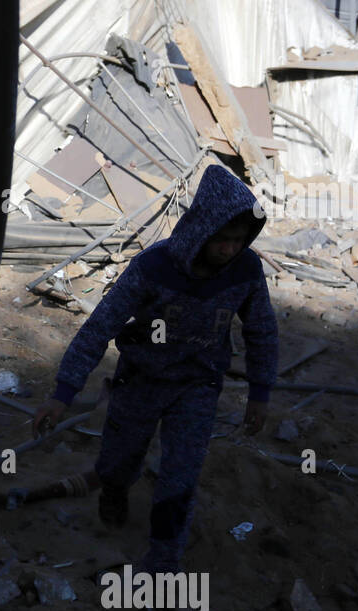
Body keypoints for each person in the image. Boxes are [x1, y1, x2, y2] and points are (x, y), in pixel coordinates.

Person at [31, 164, 279, 574]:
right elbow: (100, 327)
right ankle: (113, 490)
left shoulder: (246, 270)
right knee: (119, 461)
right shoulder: (153, 267)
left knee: (181, 475)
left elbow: (262, 330)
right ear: (202, 229)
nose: (230, 249)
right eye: (223, 239)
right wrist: (63, 393)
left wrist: (260, 393)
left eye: (239, 240)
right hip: (141, 379)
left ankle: (163, 560)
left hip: (198, 385)